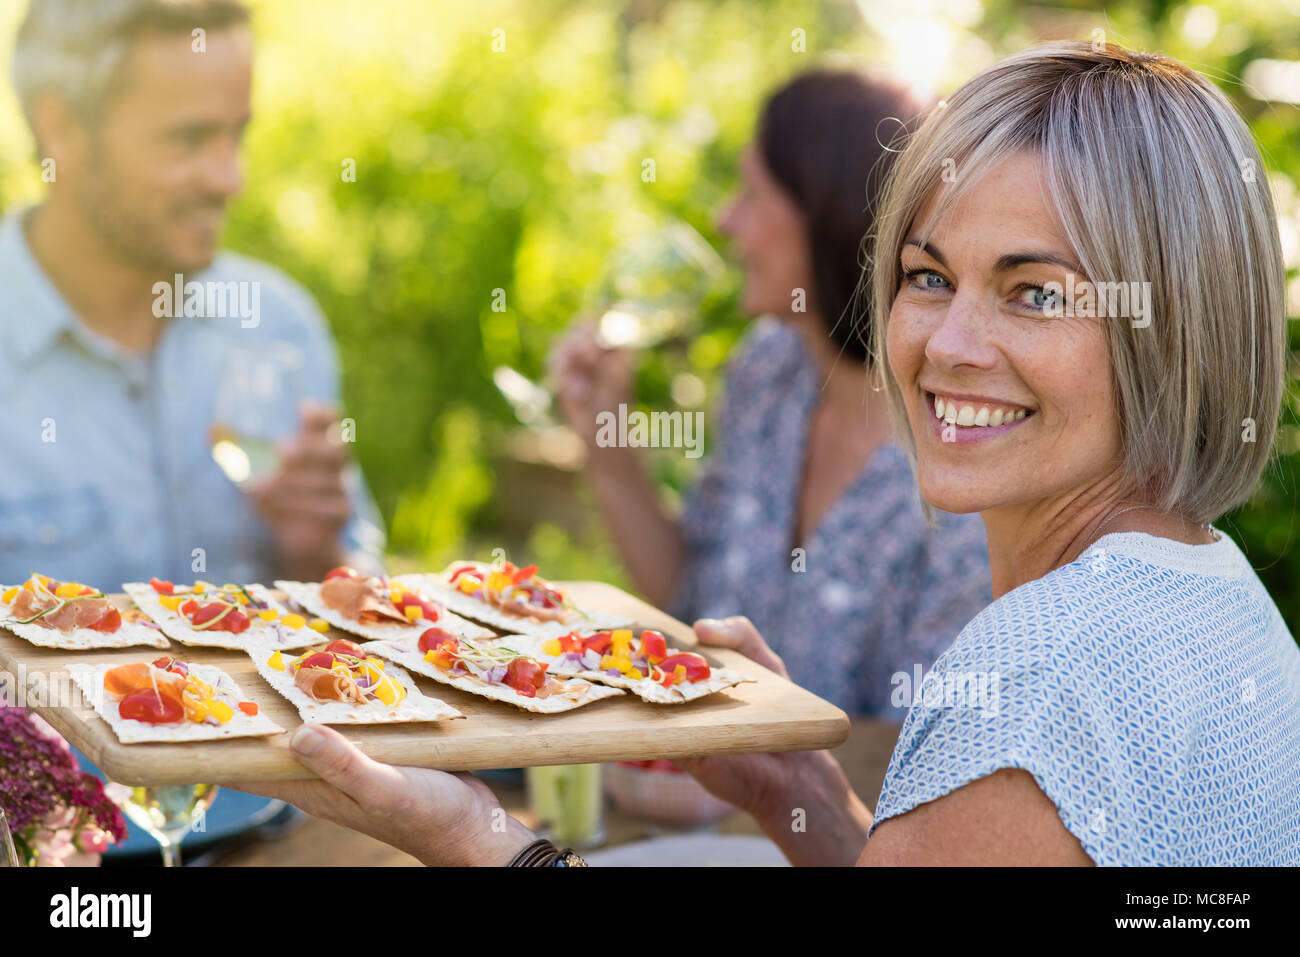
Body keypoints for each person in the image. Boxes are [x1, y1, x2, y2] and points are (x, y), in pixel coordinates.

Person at [233, 41, 1300, 866]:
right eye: (928, 276)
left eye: (1034, 293)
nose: (948, 344)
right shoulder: (1205, 595)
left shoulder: (1037, 673)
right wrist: (802, 795)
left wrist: (482, 843)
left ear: (1178, 327)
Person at [1, 0, 383, 856]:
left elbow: (361, 641)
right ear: (61, 126)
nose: (229, 176)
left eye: (237, 134)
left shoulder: (276, 327)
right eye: (188, 140)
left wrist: (316, 554)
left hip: (275, 826)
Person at [548, 70, 992, 717]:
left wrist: (728, 791)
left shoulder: (960, 447)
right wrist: (606, 443)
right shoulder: (767, 369)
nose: (725, 219)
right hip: (711, 805)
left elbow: (929, 756)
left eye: (752, 193)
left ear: (825, 213)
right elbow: (692, 598)